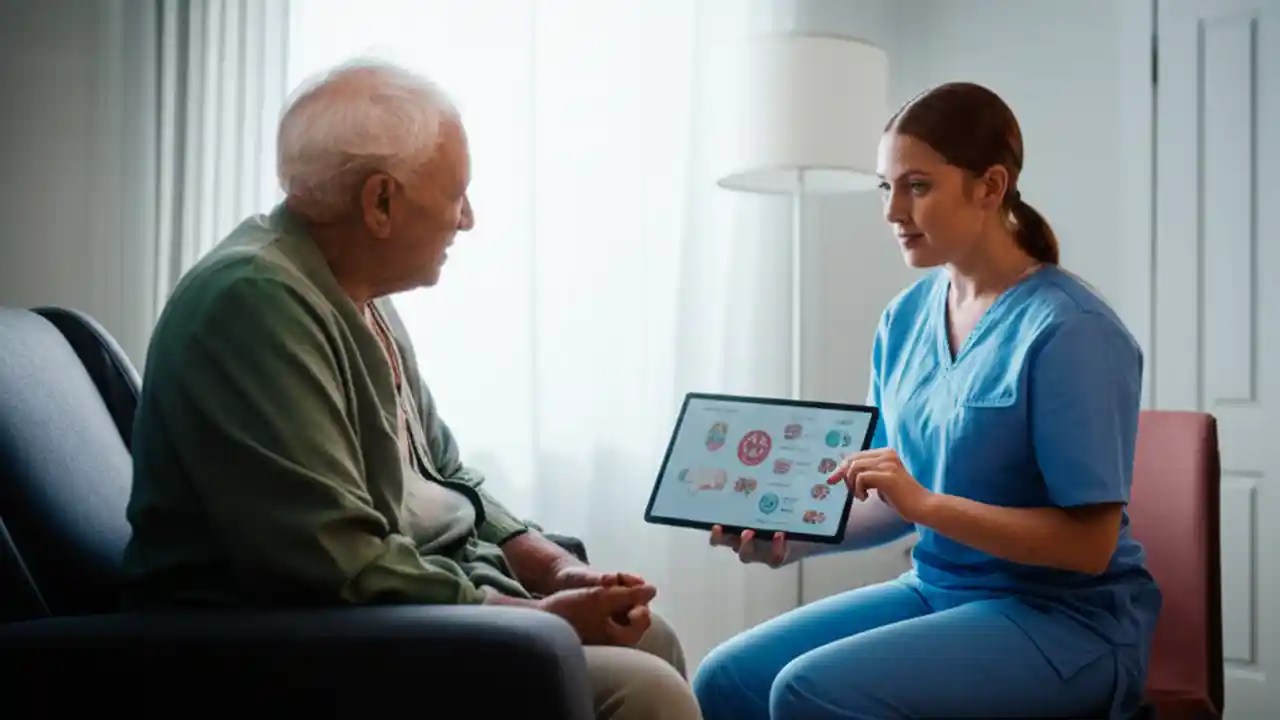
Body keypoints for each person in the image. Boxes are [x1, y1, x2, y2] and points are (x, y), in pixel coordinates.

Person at [120, 58, 701, 720]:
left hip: (402, 606)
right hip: (291, 641)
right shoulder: (254, 304)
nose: (468, 218)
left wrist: (552, 570)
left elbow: (444, 475)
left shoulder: (355, 293)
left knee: (653, 639)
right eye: (457, 193)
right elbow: (336, 559)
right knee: (644, 686)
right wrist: (537, 618)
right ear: (381, 201)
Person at [691, 81, 1162, 720]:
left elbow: (1088, 546)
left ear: (990, 187)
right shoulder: (904, 319)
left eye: (917, 186)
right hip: (939, 589)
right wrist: (795, 538)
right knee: (727, 680)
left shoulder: (1072, 331)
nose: (892, 211)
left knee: (807, 692)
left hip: (1066, 620)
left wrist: (928, 504)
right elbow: (890, 496)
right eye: (887, 187)